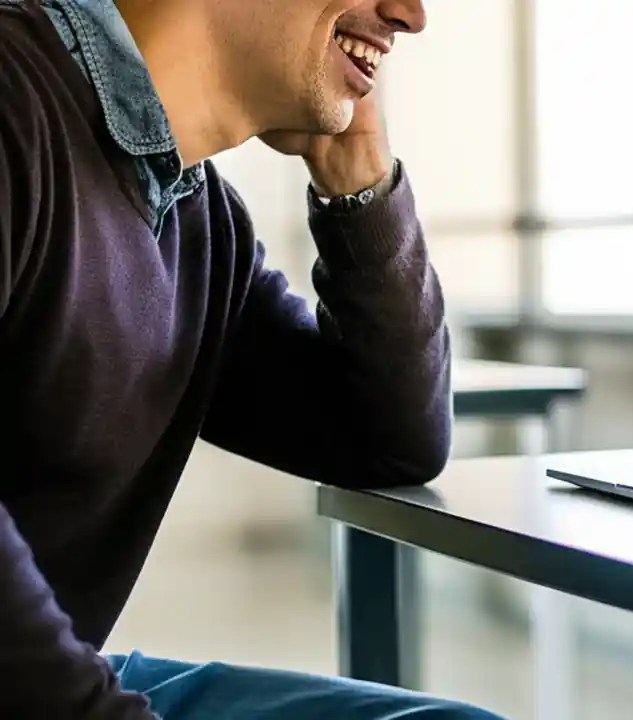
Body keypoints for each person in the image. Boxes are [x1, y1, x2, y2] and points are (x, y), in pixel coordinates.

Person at [0, 0, 498, 717]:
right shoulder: (12, 101)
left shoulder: (202, 223)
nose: (410, 15)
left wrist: (357, 170)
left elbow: (389, 438)